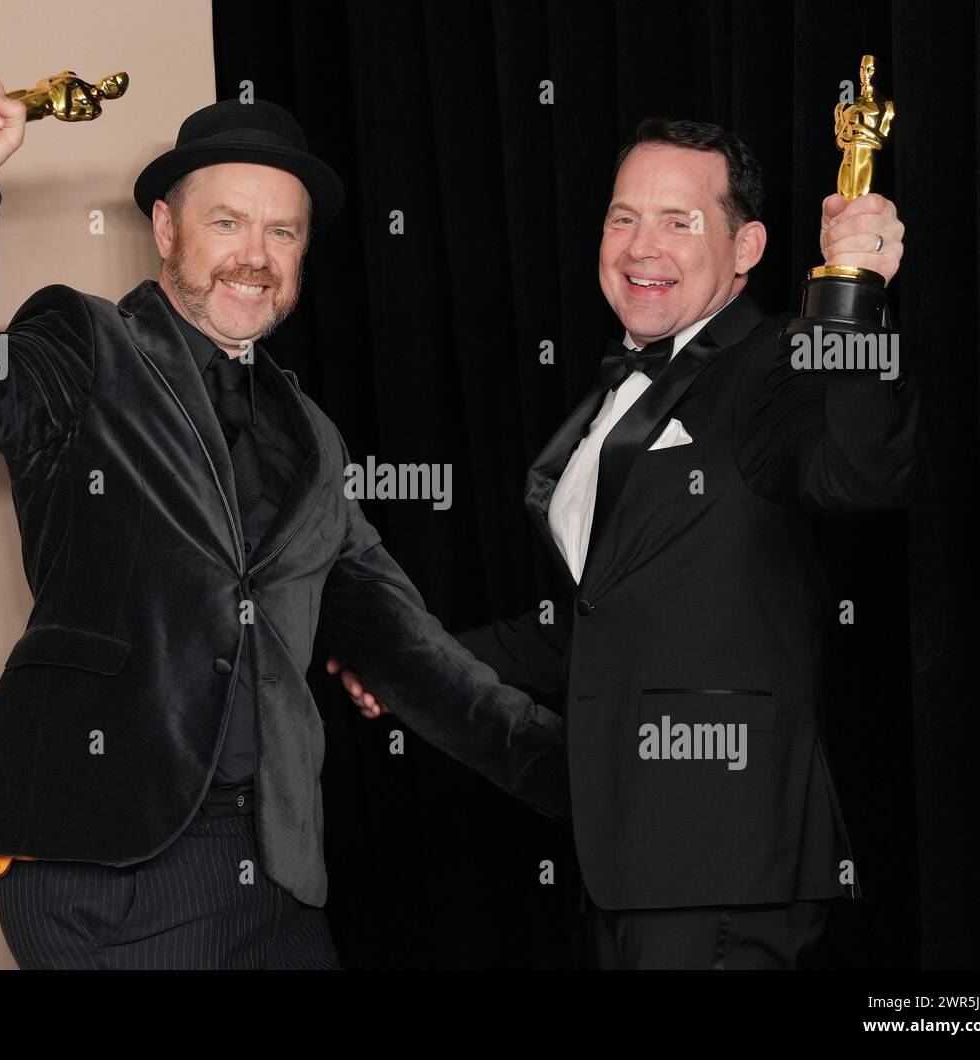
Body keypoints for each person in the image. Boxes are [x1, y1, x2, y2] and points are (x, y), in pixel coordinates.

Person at [0, 81, 569, 969]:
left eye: (281, 232)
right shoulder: (87, 347)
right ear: (166, 230)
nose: (255, 255)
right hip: (110, 866)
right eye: (227, 224)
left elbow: (410, 652)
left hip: (273, 867)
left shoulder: (312, 439)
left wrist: (587, 779)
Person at [331, 117, 918, 969]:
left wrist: (852, 296)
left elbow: (864, 473)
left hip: (723, 859)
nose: (642, 245)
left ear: (746, 245)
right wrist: (413, 663)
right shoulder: (625, 388)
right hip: (625, 858)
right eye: (623, 217)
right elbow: (597, 630)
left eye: (680, 221)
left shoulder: (767, 363)